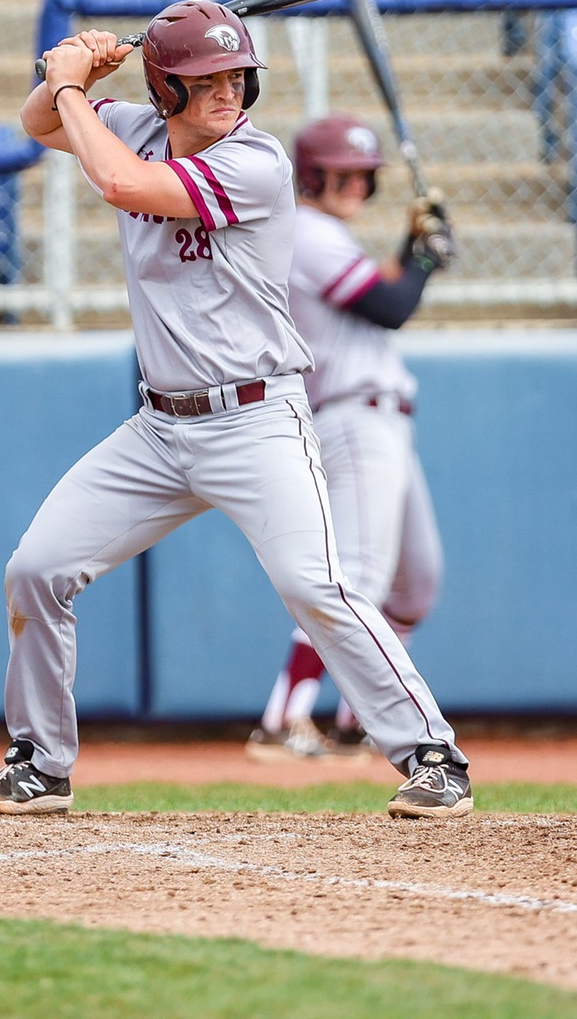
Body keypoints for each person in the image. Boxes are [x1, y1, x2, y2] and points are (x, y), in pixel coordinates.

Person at [0, 2, 473, 821]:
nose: (226, 92)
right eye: (203, 81)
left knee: (316, 583)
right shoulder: (134, 127)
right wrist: (72, 75)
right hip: (159, 427)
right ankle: (40, 764)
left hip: (256, 420)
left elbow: (119, 182)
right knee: (36, 569)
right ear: (164, 89)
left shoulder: (256, 162)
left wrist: (67, 85)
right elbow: (40, 123)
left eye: (236, 76)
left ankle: (432, 755)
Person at [248, 116, 452, 763]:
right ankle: (282, 718)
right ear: (312, 175)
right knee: (355, 578)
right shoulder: (308, 232)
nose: (358, 185)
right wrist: (424, 257)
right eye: (344, 173)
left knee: (415, 583)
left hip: (382, 418)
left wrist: (413, 248)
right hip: (353, 417)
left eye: (365, 175)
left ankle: (358, 719)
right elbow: (388, 304)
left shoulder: (327, 235)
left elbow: (380, 284)